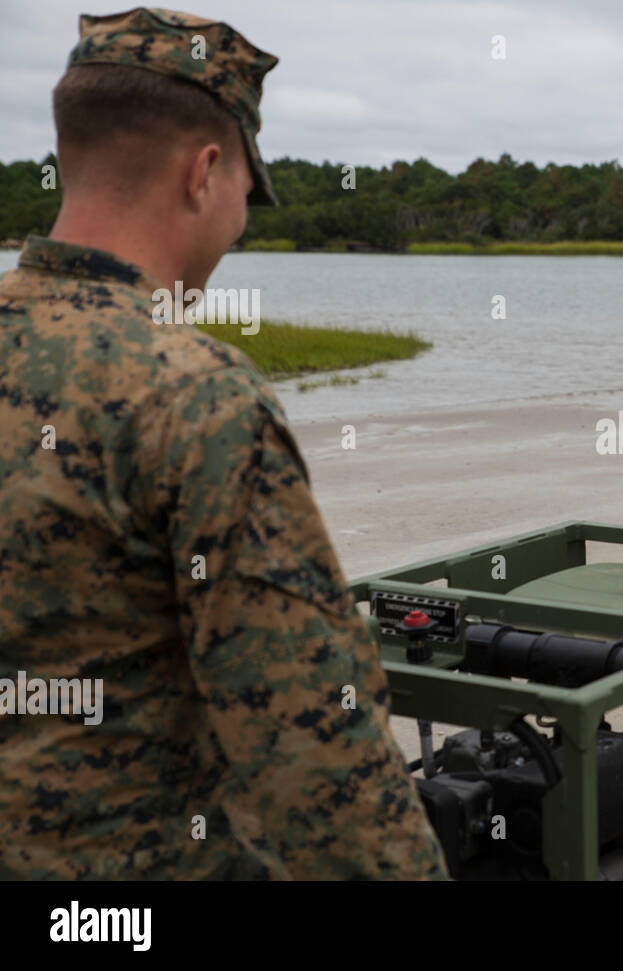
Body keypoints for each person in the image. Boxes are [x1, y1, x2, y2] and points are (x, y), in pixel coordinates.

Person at [0, 7, 446, 879]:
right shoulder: (195, 395)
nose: (241, 222)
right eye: (248, 189)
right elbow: (315, 747)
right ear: (205, 173)